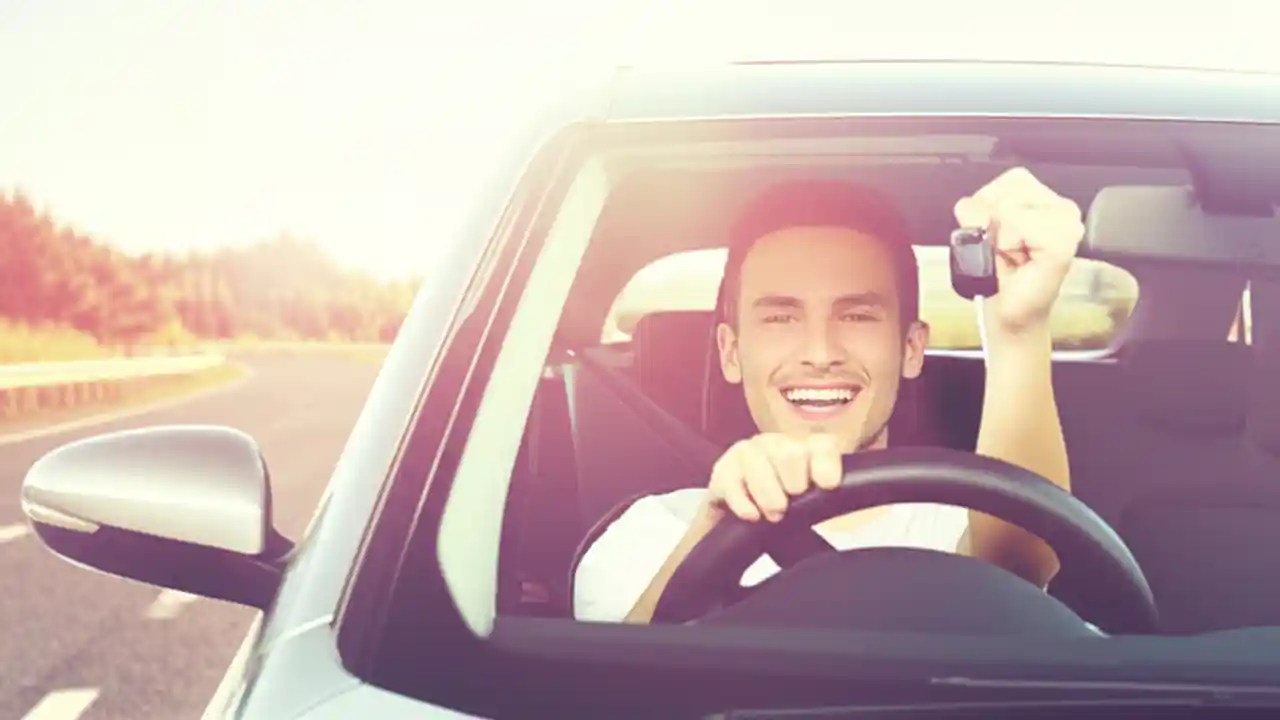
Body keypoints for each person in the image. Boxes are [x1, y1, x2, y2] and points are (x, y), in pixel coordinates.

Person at [573, 168, 1083, 624]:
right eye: (780, 317)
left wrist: (1017, 329)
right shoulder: (648, 534)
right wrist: (714, 528)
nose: (820, 352)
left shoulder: (957, 525)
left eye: (857, 315)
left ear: (910, 348)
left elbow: (1020, 562)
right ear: (731, 352)